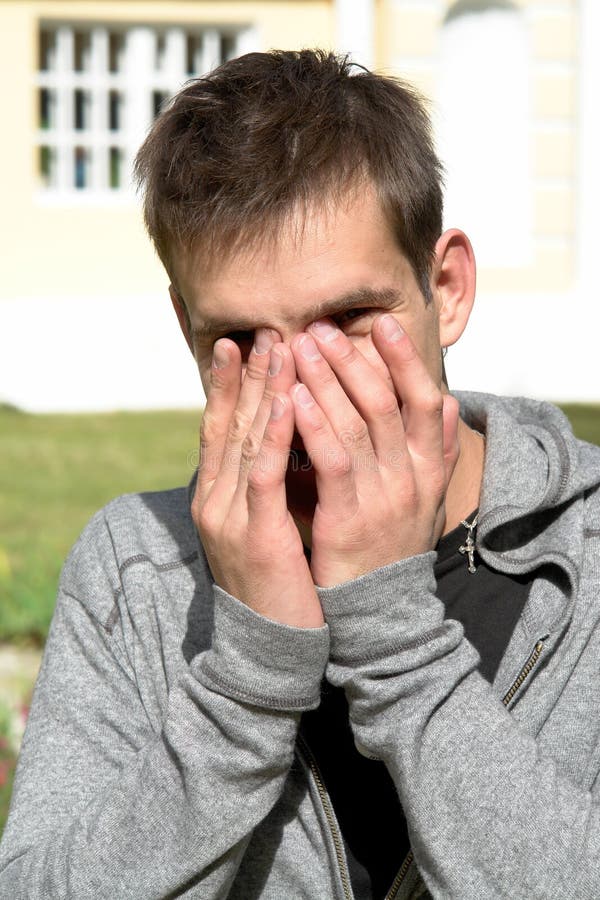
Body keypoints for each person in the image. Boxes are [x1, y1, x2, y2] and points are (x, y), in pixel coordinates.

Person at [1, 48, 600, 900]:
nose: (299, 388)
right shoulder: (136, 568)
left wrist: (395, 635)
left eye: (349, 318)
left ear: (448, 287)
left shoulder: (586, 549)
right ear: (187, 328)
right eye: (242, 340)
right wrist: (244, 683)